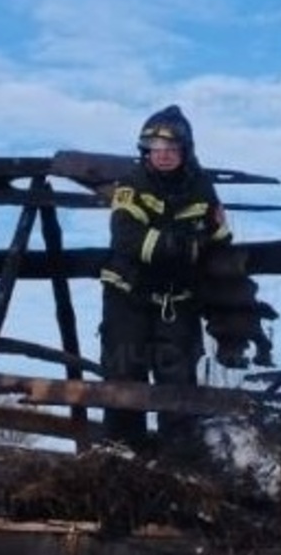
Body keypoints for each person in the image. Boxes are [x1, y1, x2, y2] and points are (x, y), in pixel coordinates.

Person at [98, 104, 233, 454]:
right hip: (129, 296)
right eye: (156, 150)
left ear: (185, 151)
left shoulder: (202, 187)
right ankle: (120, 459)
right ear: (145, 152)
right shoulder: (132, 184)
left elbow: (218, 239)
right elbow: (126, 238)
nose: (163, 156)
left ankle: (181, 466)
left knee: (178, 383)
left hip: (179, 301)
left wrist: (210, 244)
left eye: (171, 150)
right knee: (124, 377)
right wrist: (182, 246)